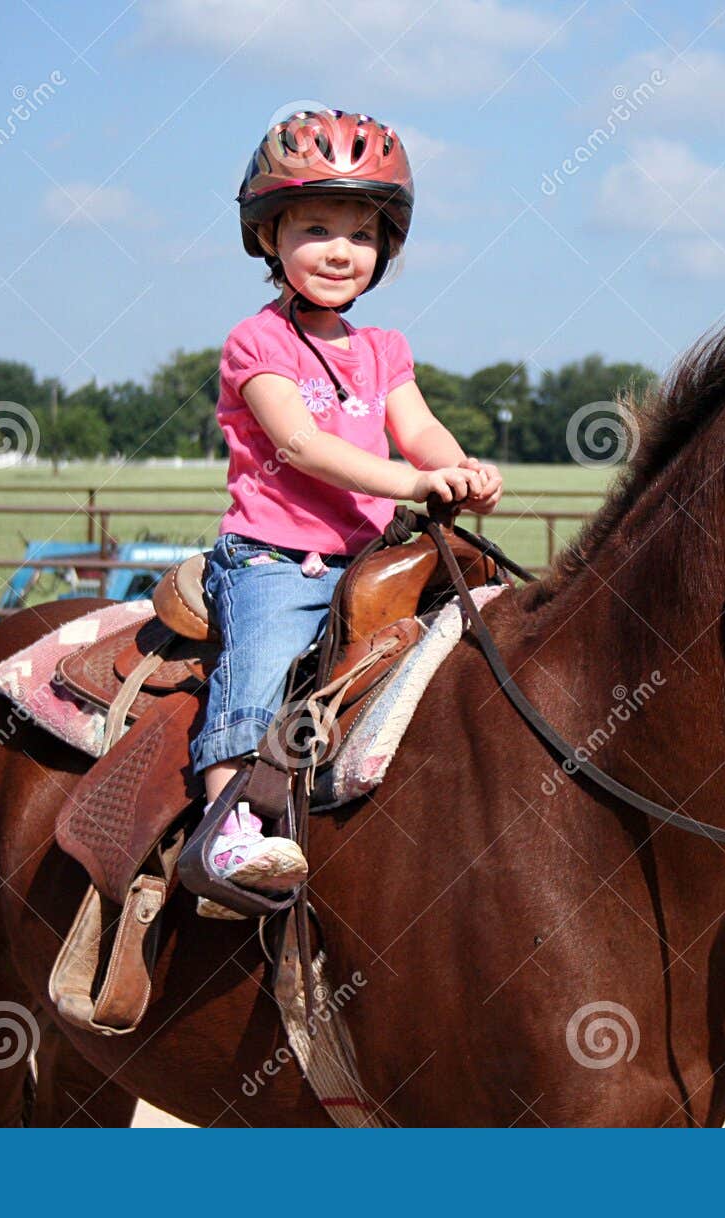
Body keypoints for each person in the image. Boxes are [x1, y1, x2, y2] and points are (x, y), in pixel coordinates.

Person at [190, 108, 504, 917]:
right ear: (269, 237)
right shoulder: (257, 345)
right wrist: (410, 484)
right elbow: (299, 446)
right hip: (273, 560)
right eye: (317, 227)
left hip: (369, 564)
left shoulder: (382, 350)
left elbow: (419, 428)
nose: (340, 251)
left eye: (362, 235)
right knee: (256, 666)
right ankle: (226, 827)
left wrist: (458, 468)